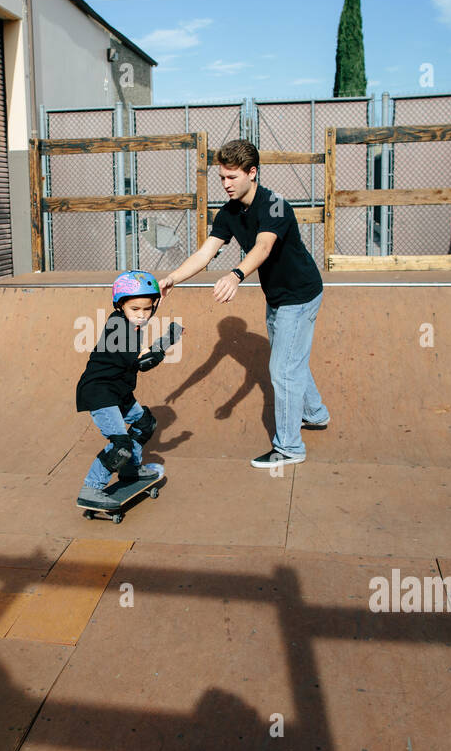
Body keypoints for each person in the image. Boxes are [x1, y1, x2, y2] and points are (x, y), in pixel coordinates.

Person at [160, 139, 328, 468]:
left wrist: (236, 275)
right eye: (222, 177)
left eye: (232, 177)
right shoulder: (229, 212)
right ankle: (315, 414)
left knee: (283, 370)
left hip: (301, 293)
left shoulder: (276, 205)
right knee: (292, 360)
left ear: (252, 173)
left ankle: (290, 447)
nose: (225, 184)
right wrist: (172, 279)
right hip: (277, 296)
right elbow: (205, 253)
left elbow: (263, 246)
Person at [75, 270, 184, 507]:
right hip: (100, 391)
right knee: (120, 446)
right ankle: (91, 489)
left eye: (147, 309)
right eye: (135, 310)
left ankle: (130, 470)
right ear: (120, 305)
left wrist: (157, 296)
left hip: (119, 391)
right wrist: (168, 339)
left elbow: (146, 305)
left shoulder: (131, 322)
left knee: (145, 423)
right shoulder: (117, 326)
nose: (142, 315)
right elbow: (144, 362)